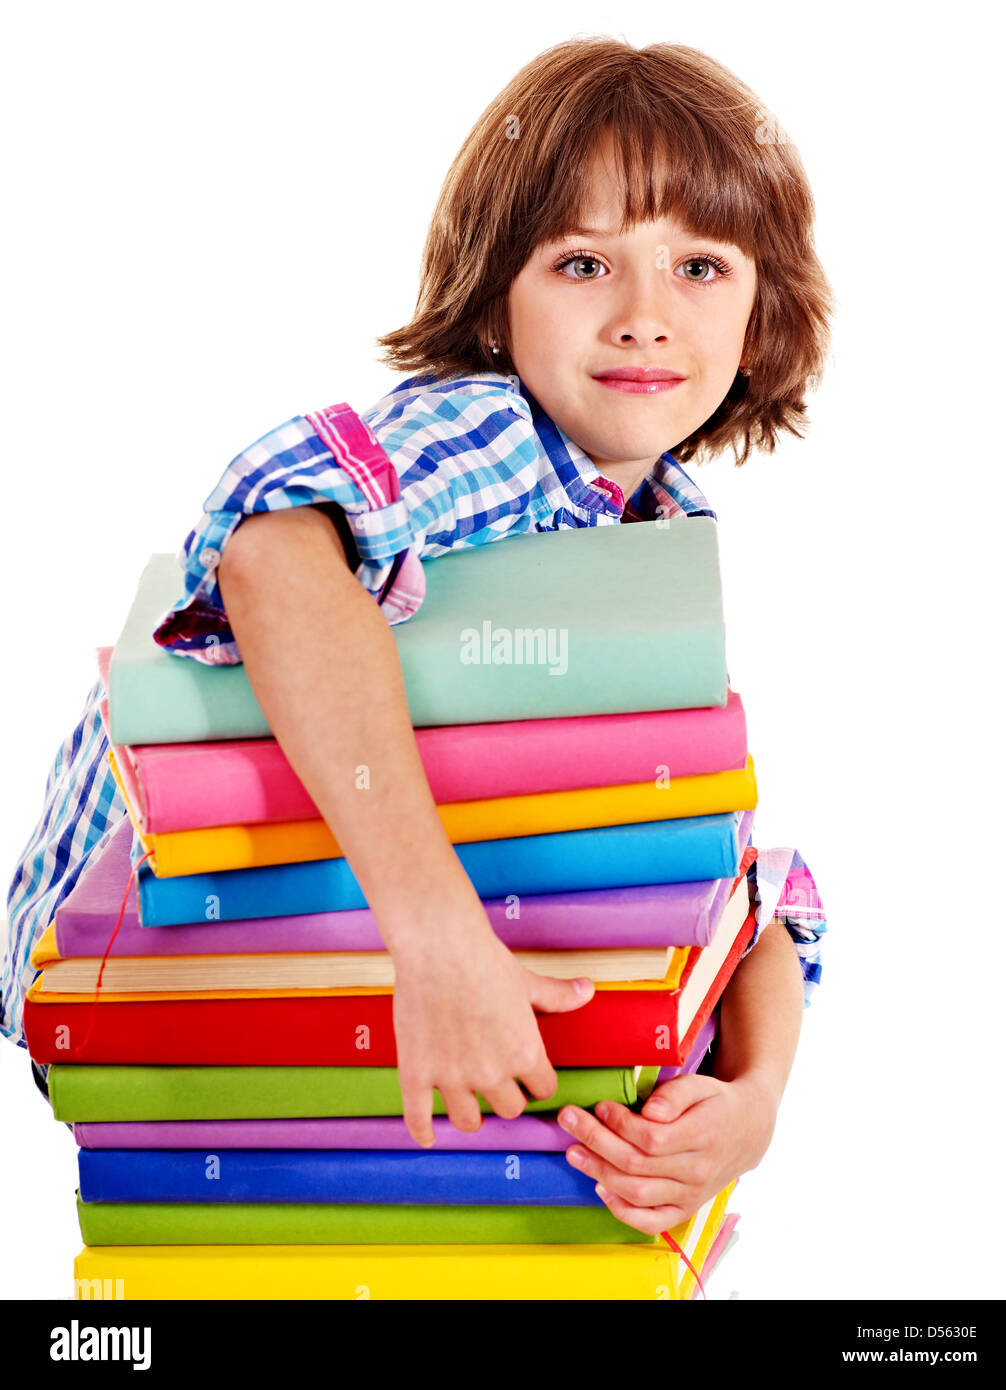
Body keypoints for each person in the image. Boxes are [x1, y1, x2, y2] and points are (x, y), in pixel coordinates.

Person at [3, 36, 830, 1238]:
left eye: (699, 266)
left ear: (761, 320)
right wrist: (437, 935)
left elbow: (743, 878)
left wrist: (751, 1102)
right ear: (496, 304)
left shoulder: (657, 534)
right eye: (584, 261)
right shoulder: (489, 432)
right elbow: (271, 543)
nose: (645, 317)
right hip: (155, 959)